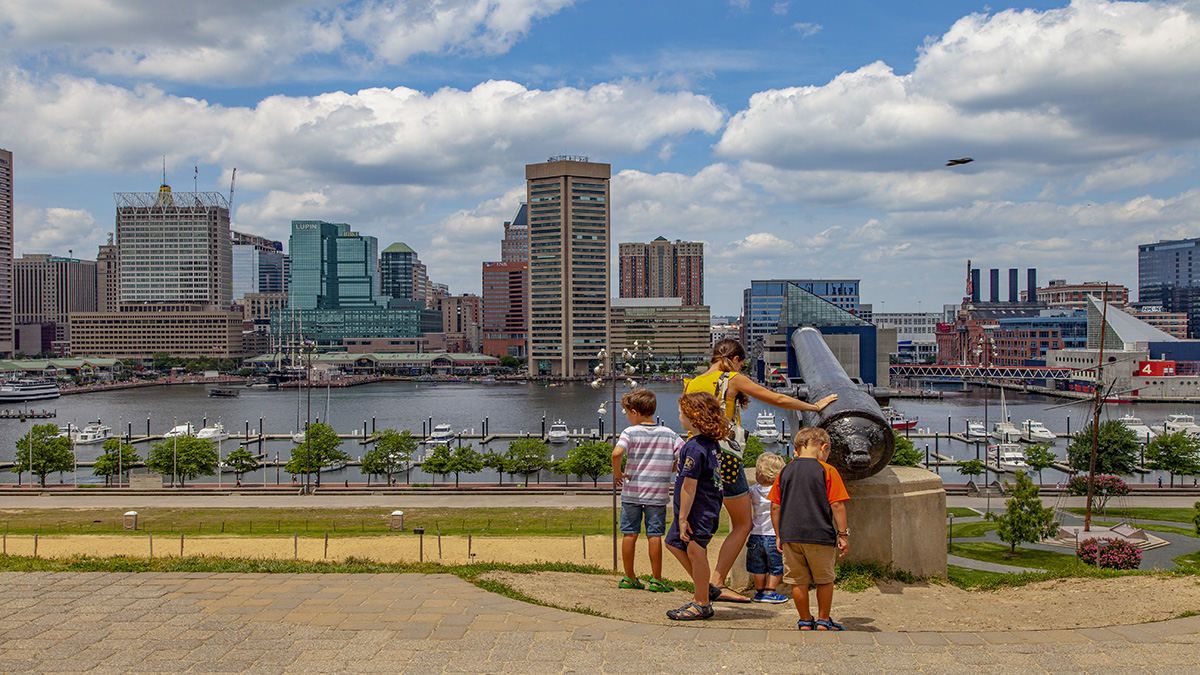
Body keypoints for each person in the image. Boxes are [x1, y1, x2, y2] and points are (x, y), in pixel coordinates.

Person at [684, 338, 838, 603]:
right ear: (735, 359)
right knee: (743, 524)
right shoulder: (731, 378)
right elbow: (776, 397)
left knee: (699, 526)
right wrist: (814, 406)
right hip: (726, 460)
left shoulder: (691, 383)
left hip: (698, 457)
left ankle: (702, 584)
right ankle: (716, 582)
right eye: (742, 364)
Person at [770, 428, 850, 631]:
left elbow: (775, 506)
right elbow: (837, 505)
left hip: (791, 535)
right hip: (820, 535)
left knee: (798, 581)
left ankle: (805, 620)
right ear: (824, 448)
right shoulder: (828, 470)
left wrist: (779, 534)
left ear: (796, 450)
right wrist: (843, 534)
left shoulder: (785, 471)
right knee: (824, 580)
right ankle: (823, 620)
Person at [664, 392, 727, 621]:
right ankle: (704, 586)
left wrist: (683, 518)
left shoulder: (695, 447)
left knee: (695, 551)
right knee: (673, 543)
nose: (679, 416)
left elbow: (689, 486)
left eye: (681, 413)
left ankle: (701, 602)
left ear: (693, 416)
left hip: (698, 511)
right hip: (702, 507)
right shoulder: (708, 444)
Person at [612, 389, 682, 593]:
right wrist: (669, 468)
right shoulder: (668, 433)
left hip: (632, 492)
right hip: (657, 494)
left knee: (629, 534)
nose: (626, 416)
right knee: (654, 535)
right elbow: (685, 455)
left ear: (635, 412)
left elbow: (617, 453)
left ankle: (629, 576)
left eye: (626, 412)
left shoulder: (629, 432)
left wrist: (618, 474)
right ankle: (656, 579)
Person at [746, 452, 788, 603]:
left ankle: (759, 591)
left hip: (756, 534)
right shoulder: (780, 491)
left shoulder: (753, 491)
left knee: (759, 567)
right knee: (775, 566)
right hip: (774, 534)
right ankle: (770, 591)